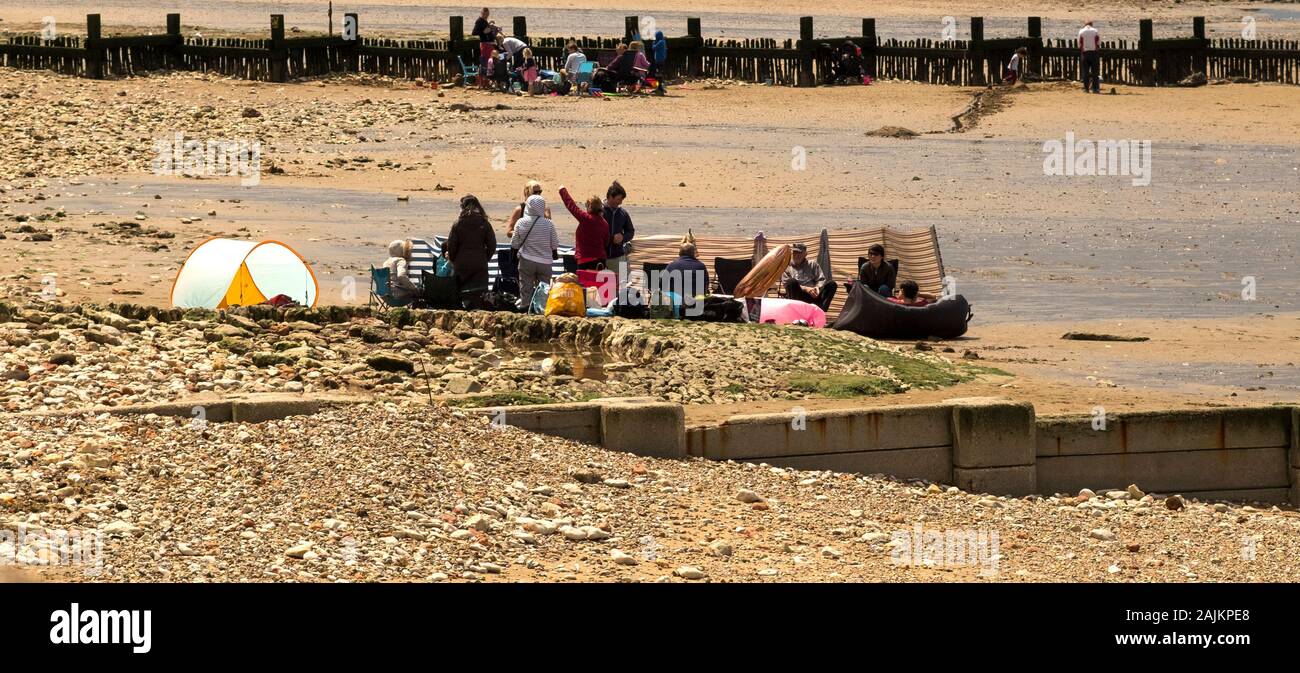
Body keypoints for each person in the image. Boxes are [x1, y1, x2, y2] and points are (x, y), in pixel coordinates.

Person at [444, 195, 497, 309]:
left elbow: (451, 245)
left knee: (459, 290)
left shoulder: (458, 223)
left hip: (461, 263)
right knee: (479, 292)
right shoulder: (484, 223)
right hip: (479, 263)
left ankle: (460, 311)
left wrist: (453, 259)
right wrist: (484, 258)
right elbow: (492, 245)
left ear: (462, 207)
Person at [510, 194, 558, 311]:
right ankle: (541, 311)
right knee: (544, 289)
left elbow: (515, 242)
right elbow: (555, 244)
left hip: (527, 260)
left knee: (526, 287)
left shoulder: (521, 222)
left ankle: (526, 308)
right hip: (545, 262)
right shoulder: (549, 224)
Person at [558, 186, 609, 270]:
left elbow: (572, 206)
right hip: (601, 260)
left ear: (589, 206)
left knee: (585, 282)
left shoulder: (586, 218)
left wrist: (562, 190)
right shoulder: (605, 223)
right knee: (598, 283)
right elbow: (606, 242)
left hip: (585, 260)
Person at [780, 242, 836, 311]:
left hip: (813, 296)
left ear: (805, 254)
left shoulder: (813, 264)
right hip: (797, 296)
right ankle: (797, 311)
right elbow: (786, 284)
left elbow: (821, 279)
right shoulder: (787, 267)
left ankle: (820, 311)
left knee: (832, 284)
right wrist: (806, 289)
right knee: (791, 282)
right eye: (795, 252)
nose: (796, 255)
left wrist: (817, 288)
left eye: (799, 253)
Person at [602, 180, 635, 280]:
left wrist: (623, 238)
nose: (620, 202)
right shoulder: (599, 212)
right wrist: (611, 239)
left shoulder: (623, 213)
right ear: (610, 197)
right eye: (618, 199)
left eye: (621, 200)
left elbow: (631, 231)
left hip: (618, 257)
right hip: (601, 257)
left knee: (621, 286)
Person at [383, 239, 419, 306]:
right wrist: (414, 288)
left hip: (385, 295)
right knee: (418, 292)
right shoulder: (400, 261)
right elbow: (401, 276)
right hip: (397, 295)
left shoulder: (386, 262)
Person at [471, 8, 499, 89]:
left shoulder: (484, 21)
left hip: (489, 44)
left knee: (490, 63)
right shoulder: (479, 21)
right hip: (485, 45)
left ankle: (488, 82)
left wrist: (490, 26)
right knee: (486, 63)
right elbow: (474, 32)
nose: (485, 16)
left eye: (487, 14)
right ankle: (484, 82)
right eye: (484, 14)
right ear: (481, 13)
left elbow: (487, 30)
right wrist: (483, 32)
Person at [1079, 20, 1101, 94]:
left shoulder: (1081, 31)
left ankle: (1086, 89)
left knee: (1085, 72)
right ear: (1092, 24)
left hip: (1085, 53)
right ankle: (1095, 89)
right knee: (1095, 72)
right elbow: (1098, 42)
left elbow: (1079, 43)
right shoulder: (1095, 31)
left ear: (1085, 25)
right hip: (1094, 53)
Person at [650, 30, 668, 95]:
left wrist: (653, 43)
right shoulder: (663, 41)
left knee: (658, 74)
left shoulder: (660, 42)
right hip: (661, 59)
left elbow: (654, 48)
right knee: (659, 73)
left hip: (659, 60)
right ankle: (659, 87)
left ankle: (660, 87)